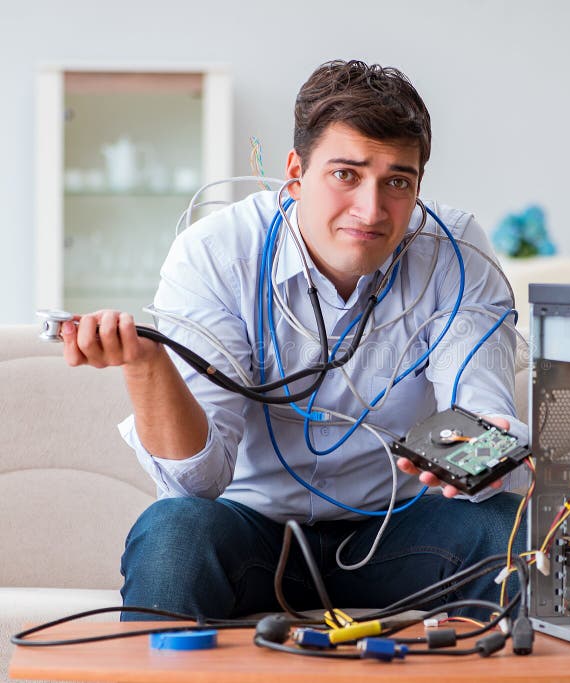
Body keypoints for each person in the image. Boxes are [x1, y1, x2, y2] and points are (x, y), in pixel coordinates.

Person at [60, 59, 527, 621]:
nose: (371, 210)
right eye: (346, 174)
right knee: (174, 531)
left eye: (397, 182)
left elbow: (478, 420)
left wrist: (488, 453)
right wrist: (147, 367)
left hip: (399, 532)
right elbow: (197, 481)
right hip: (254, 531)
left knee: (506, 527)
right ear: (295, 173)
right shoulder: (217, 252)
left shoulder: (455, 251)